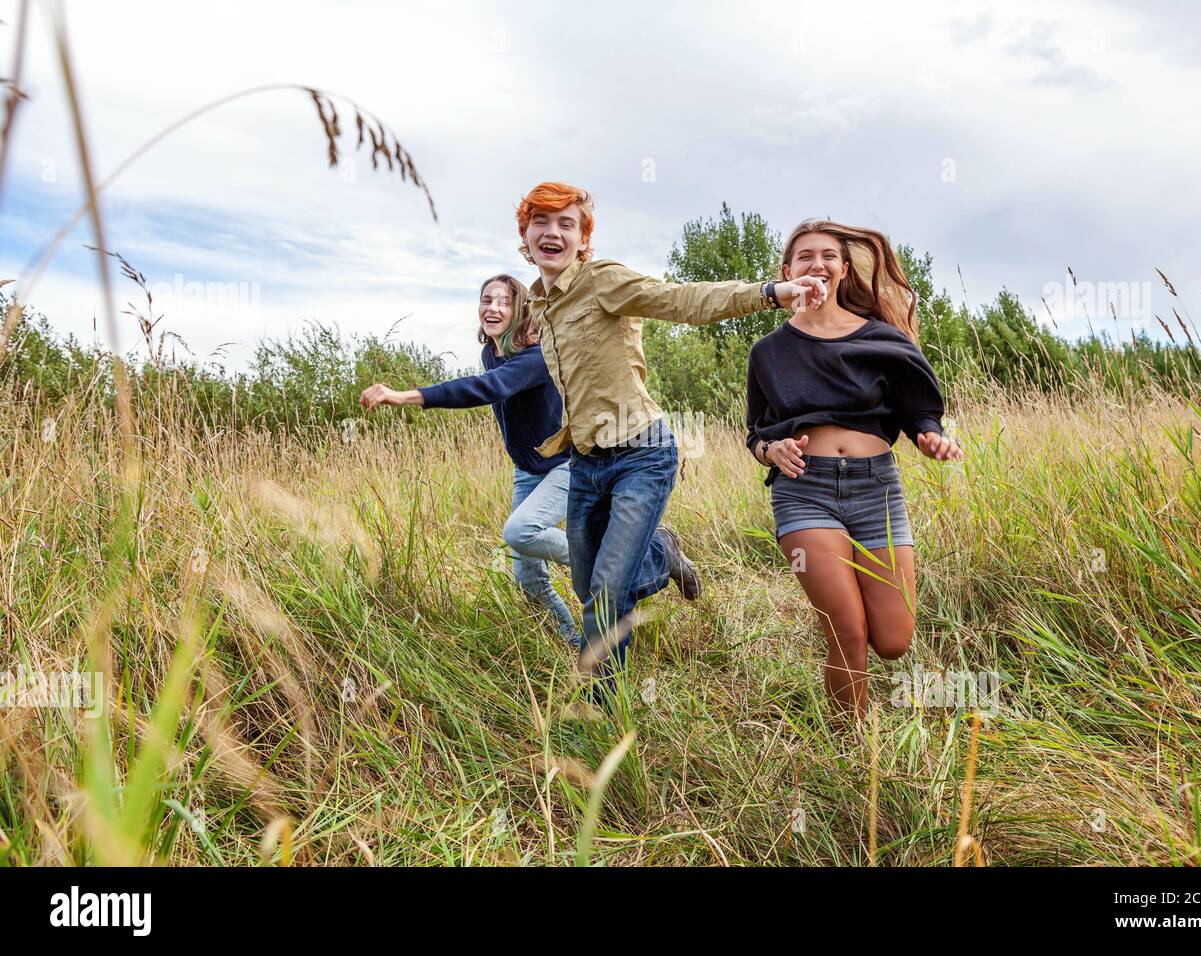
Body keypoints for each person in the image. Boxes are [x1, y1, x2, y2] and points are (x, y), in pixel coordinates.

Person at [516, 181, 827, 685]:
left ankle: (603, 704)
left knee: (607, 591)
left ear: (582, 238)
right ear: (525, 238)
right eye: (541, 223)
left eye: (566, 224)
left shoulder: (602, 281)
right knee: (583, 580)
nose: (553, 233)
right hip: (587, 463)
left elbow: (680, 300)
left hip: (642, 453)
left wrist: (769, 293)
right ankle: (664, 552)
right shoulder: (541, 308)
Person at [745, 219, 962, 717]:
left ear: (843, 269)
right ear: (787, 272)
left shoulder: (883, 339)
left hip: (876, 489)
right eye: (804, 256)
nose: (816, 263)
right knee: (847, 630)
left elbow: (919, 411)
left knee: (893, 639)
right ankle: (853, 753)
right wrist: (768, 451)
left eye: (827, 255)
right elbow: (756, 432)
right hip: (805, 490)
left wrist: (931, 436)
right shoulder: (769, 353)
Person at [360, 274, 579, 645]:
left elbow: (487, 388)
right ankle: (575, 644)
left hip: (563, 467)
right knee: (527, 577)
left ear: (520, 309)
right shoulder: (490, 352)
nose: (492, 308)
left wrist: (405, 395)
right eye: (486, 300)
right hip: (528, 470)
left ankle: (606, 556)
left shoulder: (537, 355)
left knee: (519, 532)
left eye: (503, 302)